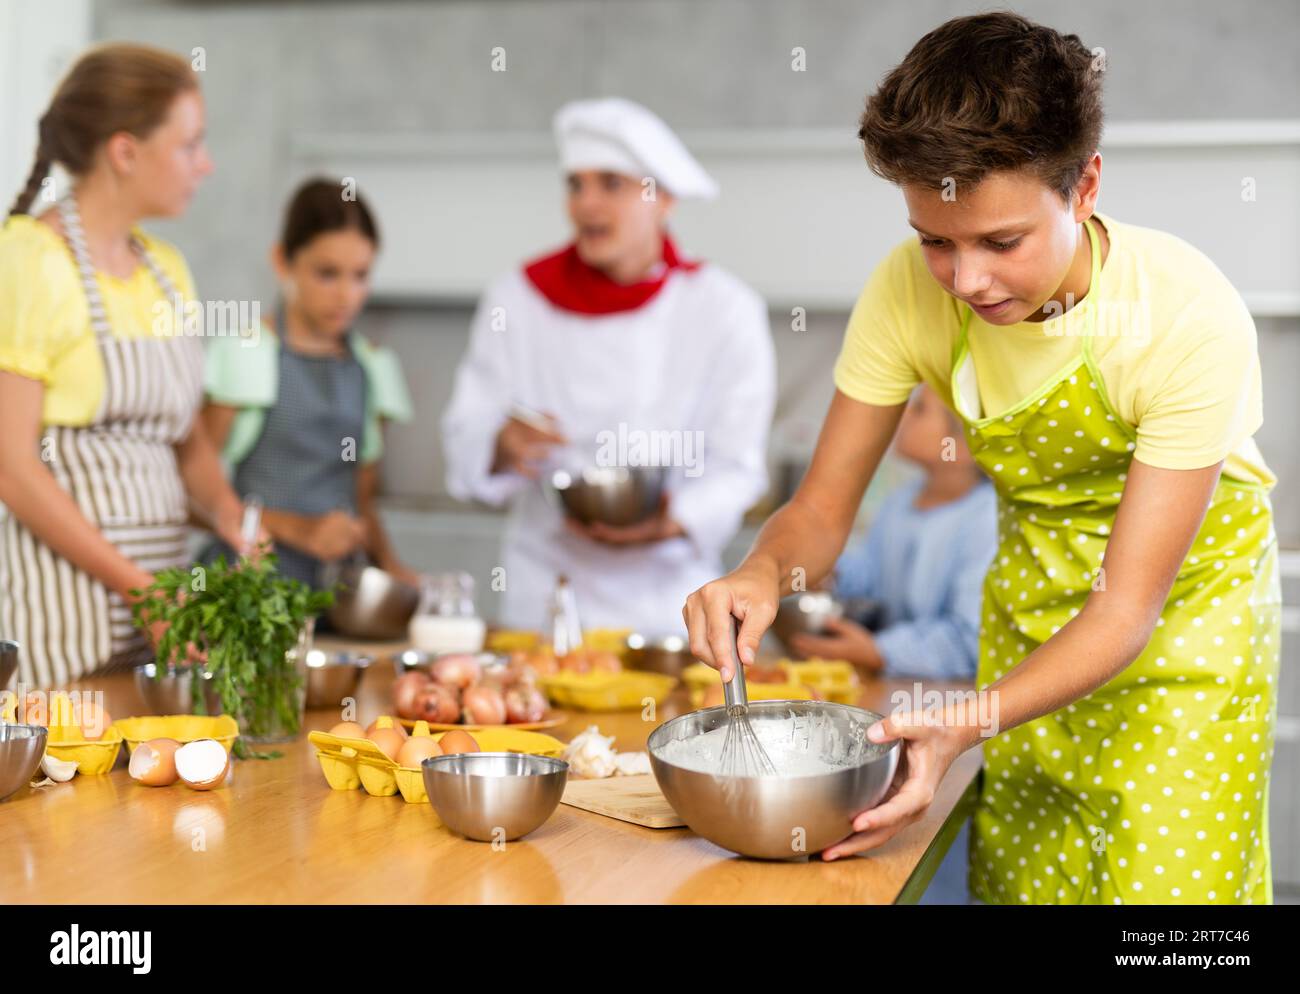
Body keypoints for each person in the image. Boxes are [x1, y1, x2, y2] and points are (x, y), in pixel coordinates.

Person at [683, 13, 1279, 905]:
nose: (964, 281)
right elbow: (820, 513)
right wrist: (765, 570)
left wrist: (964, 721)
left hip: (1179, 646)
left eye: (1001, 243)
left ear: (1083, 188)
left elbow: (1125, 612)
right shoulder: (901, 294)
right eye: (936, 241)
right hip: (1028, 625)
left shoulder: (1184, 316)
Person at [442, 98, 775, 633]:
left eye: (611, 184)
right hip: (544, 597)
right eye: (575, 184)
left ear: (662, 198)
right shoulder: (518, 299)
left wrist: (673, 521)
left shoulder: (724, 309)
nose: (587, 203)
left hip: (670, 604)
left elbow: (738, 467)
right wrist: (498, 446)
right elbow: (465, 433)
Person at [0, 43, 264, 686]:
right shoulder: (29, 260)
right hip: (67, 617)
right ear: (125, 151)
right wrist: (137, 589)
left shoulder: (166, 270)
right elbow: (11, 467)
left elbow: (189, 443)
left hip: (164, 608)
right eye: (189, 145)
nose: (206, 164)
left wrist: (233, 518)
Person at [201, 179, 415, 589]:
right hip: (249, 591)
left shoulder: (371, 367)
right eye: (327, 274)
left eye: (360, 276)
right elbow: (194, 497)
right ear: (282, 261)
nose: (346, 296)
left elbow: (362, 502)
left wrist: (395, 572)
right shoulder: (246, 353)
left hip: (336, 595)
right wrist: (297, 529)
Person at [788, 385, 996, 680]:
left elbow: (967, 641)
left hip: (952, 699)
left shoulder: (988, 519)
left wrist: (879, 651)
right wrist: (830, 572)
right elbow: (873, 576)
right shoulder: (901, 500)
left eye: (920, 408)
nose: (904, 412)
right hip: (896, 684)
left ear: (964, 446)